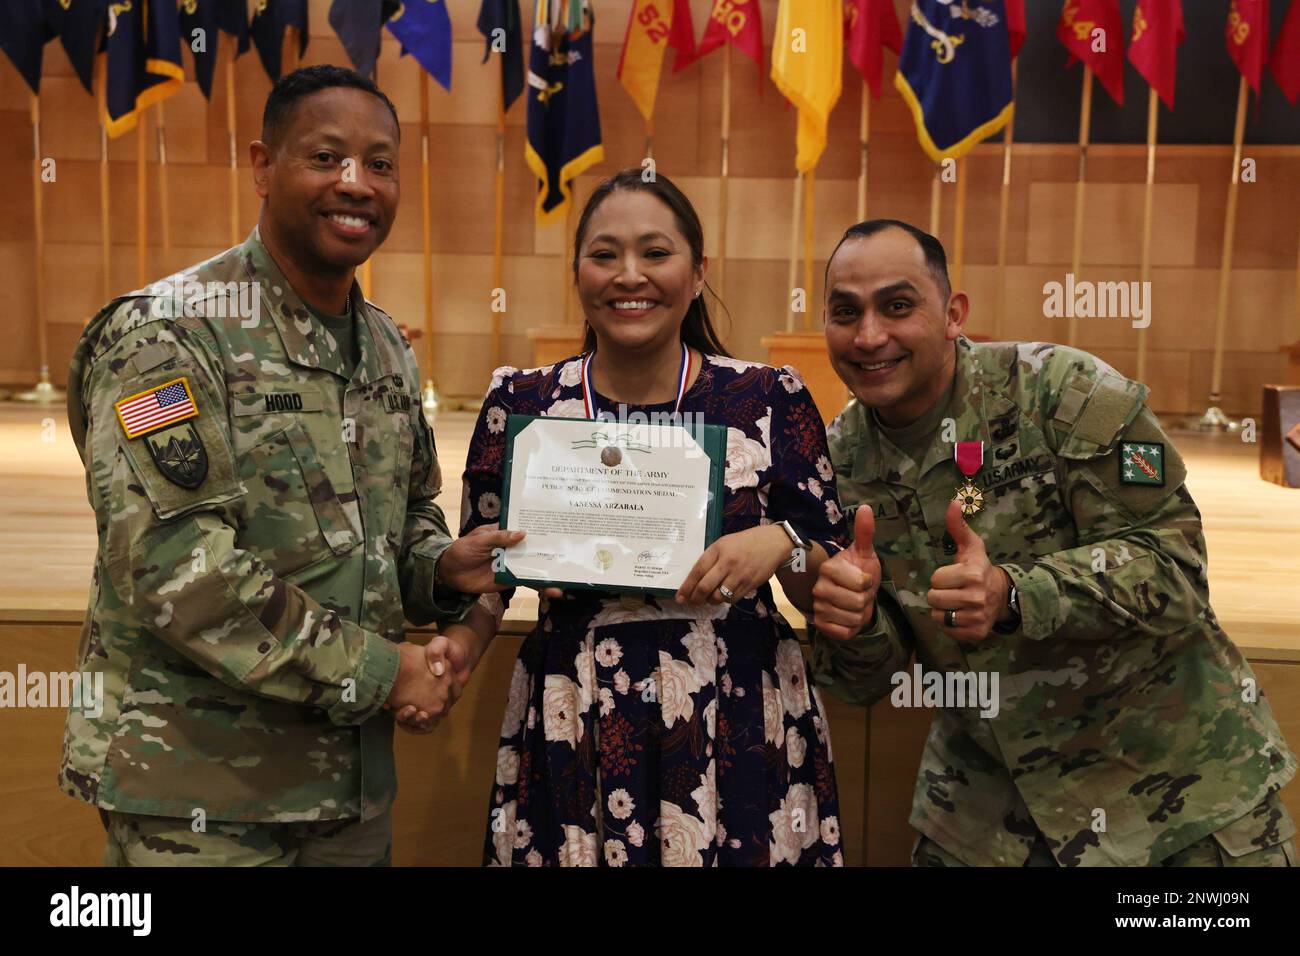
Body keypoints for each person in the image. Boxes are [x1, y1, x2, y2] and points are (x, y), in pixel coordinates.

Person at [59, 65, 514, 866]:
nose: (356, 183)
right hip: (200, 800)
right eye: (326, 157)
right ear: (263, 166)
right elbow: (179, 571)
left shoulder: (385, 347)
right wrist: (387, 674)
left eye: (380, 164)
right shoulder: (168, 334)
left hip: (348, 795)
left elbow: (400, 523)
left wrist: (443, 569)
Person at [809, 218, 1296, 867]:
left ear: (953, 314)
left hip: (1172, 800)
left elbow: (1175, 568)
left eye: (898, 306)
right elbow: (867, 677)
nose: (869, 336)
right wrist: (855, 622)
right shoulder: (838, 463)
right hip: (990, 823)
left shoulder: (1064, 392)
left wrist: (1015, 594)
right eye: (846, 312)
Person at [442, 169, 848, 866]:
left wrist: (782, 541)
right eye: (605, 255)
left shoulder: (767, 399)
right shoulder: (522, 404)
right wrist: (459, 645)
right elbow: (488, 577)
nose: (630, 275)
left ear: (698, 273)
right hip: (577, 710)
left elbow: (826, 577)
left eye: (656, 253)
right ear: (578, 273)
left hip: (736, 713)